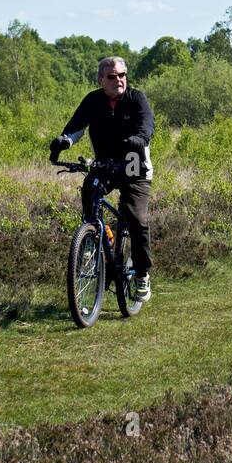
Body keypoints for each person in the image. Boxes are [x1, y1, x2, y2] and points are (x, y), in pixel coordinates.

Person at [50, 56, 155, 301]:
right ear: (101, 80)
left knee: (136, 218)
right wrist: (64, 141)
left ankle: (142, 274)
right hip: (105, 165)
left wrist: (139, 139)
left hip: (133, 166)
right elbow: (76, 127)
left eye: (122, 75)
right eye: (112, 76)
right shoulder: (93, 100)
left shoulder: (136, 98)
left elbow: (147, 125)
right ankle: (95, 239)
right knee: (90, 190)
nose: (118, 80)